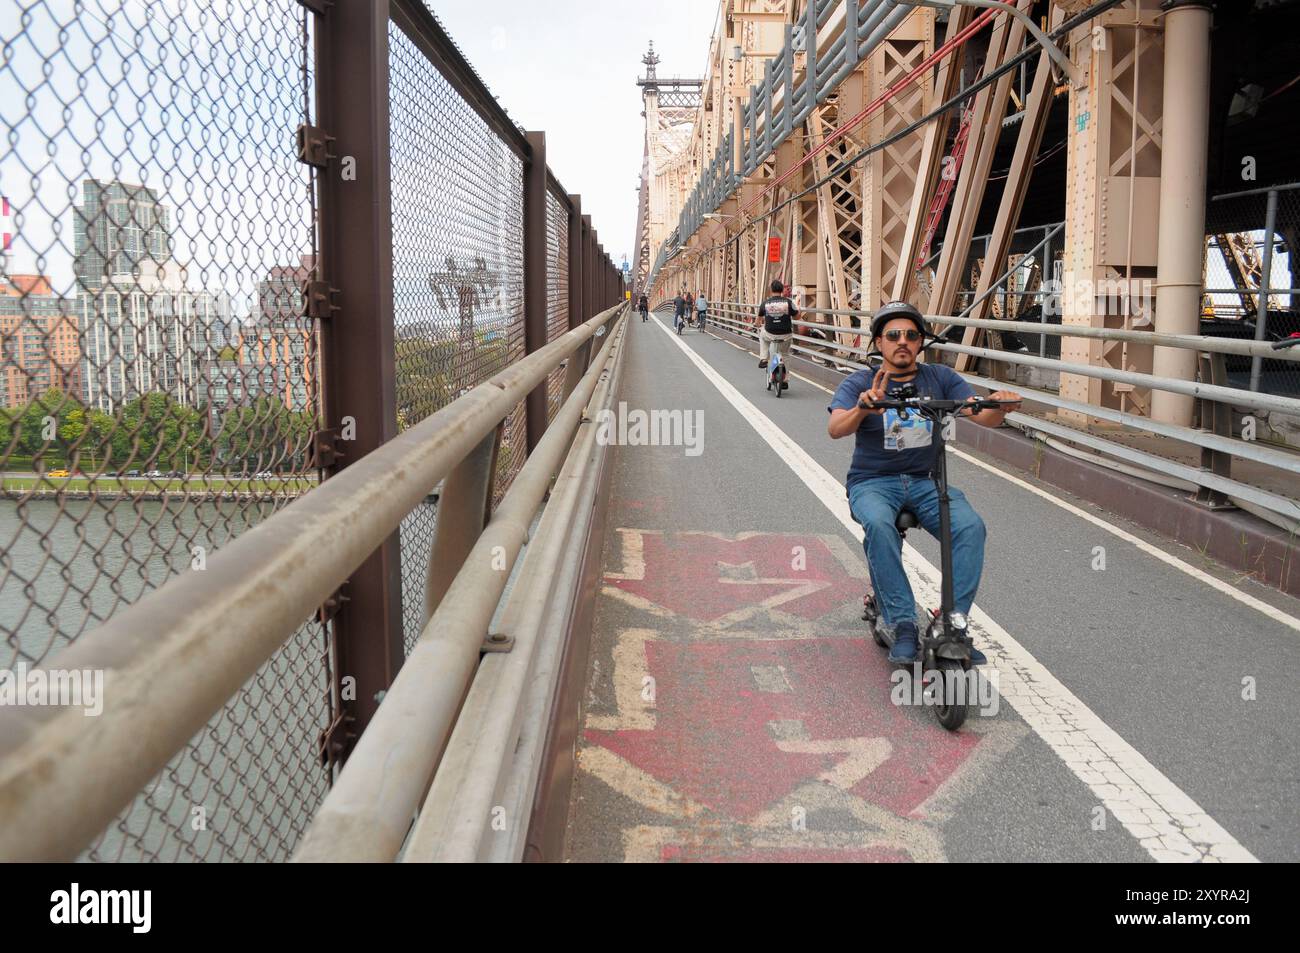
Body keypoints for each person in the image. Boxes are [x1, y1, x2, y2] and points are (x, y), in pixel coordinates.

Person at [826, 300, 1022, 665]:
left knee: (969, 527)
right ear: (879, 343)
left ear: (921, 342)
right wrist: (864, 408)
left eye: (911, 335)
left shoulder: (941, 379)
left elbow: (984, 416)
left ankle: (954, 621)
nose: (903, 341)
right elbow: (836, 429)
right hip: (872, 482)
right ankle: (902, 623)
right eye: (893, 335)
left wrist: (1000, 405)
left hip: (926, 481)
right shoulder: (859, 383)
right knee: (880, 527)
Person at [756, 279, 796, 374]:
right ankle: (785, 380)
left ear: (771, 290)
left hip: (770, 334)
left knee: (762, 336)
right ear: (782, 290)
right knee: (785, 355)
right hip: (786, 335)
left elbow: (758, 320)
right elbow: (797, 316)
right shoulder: (789, 302)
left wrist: (757, 324)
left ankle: (764, 359)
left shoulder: (765, 303)